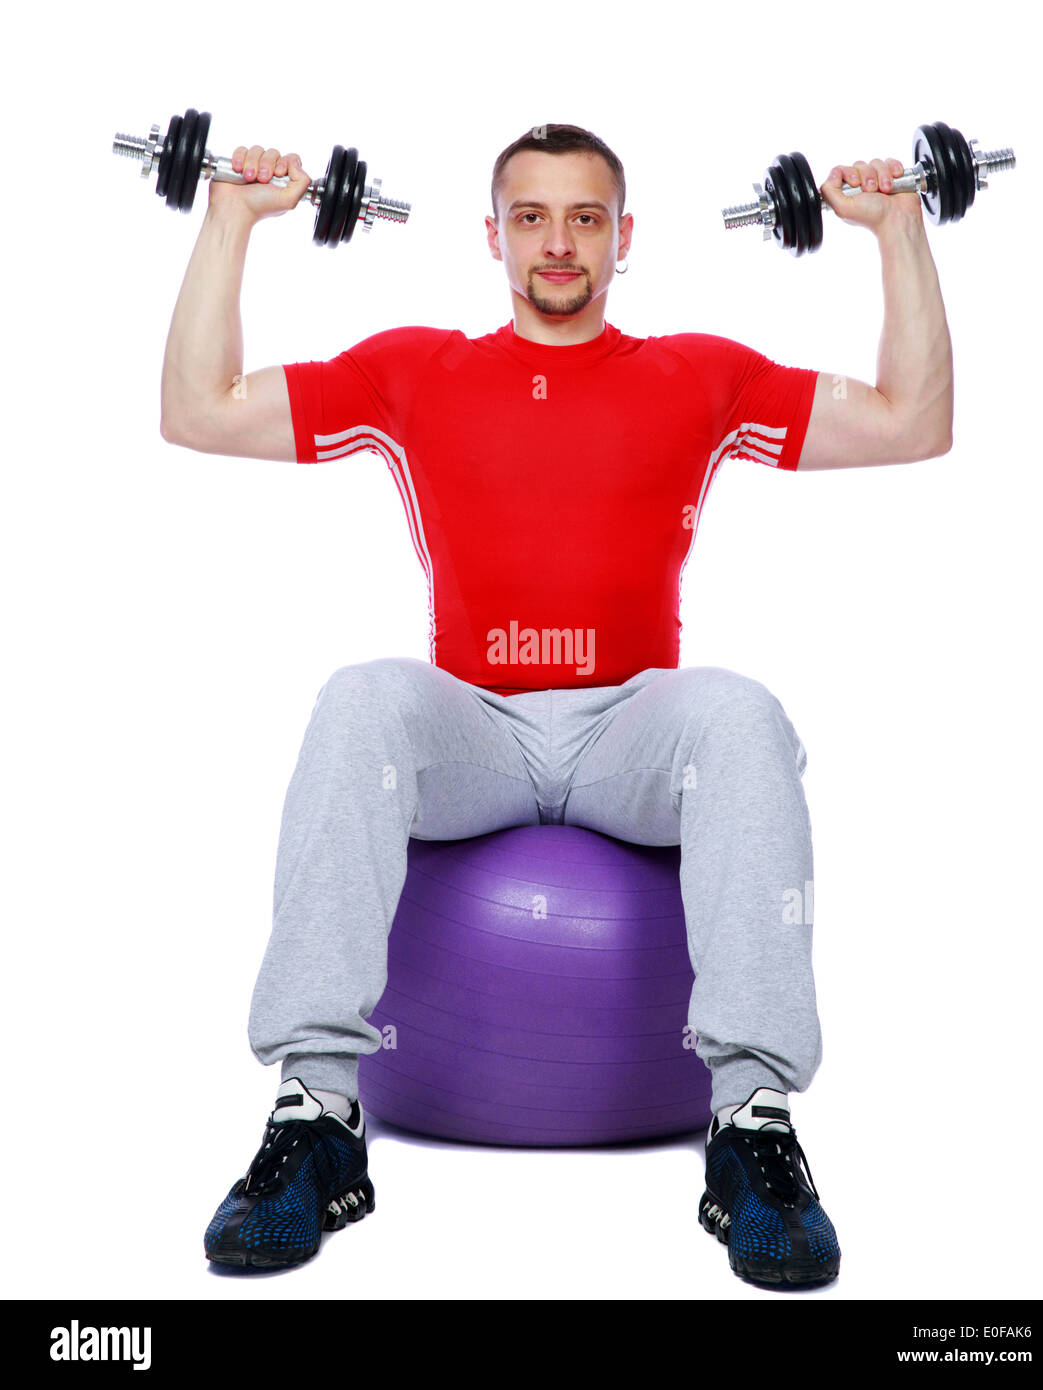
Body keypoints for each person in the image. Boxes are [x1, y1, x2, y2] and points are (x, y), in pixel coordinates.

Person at [160, 123, 952, 1286]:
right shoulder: (414, 371)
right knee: (359, 698)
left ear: (622, 237)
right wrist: (228, 219)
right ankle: (314, 1115)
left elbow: (909, 421)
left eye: (584, 217)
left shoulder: (696, 375)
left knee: (738, 711)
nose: (558, 242)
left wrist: (899, 232)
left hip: (632, 724)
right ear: (493, 236)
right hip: (468, 724)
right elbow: (200, 409)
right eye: (530, 216)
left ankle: (752, 1129)